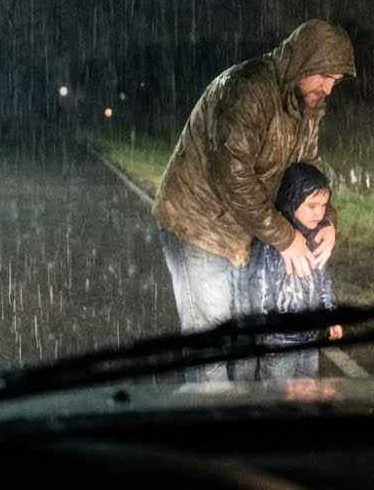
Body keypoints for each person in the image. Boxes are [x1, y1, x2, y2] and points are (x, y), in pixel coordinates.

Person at [152, 19, 356, 383]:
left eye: (335, 81)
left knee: (246, 347)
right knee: (211, 347)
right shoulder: (247, 88)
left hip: (250, 231)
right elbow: (232, 174)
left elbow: (307, 170)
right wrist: (285, 237)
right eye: (325, 76)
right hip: (200, 225)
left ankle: (243, 422)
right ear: (303, 62)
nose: (328, 88)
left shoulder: (306, 104)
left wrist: (328, 221)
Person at [248, 162, 344, 381]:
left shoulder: (315, 239)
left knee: (306, 396)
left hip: (309, 339)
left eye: (324, 205)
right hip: (279, 342)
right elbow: (260, 289)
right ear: (291, 202)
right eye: (312, 206)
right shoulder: (272, 246)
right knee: (278, 398)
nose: (321, 213)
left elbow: (324, 283)